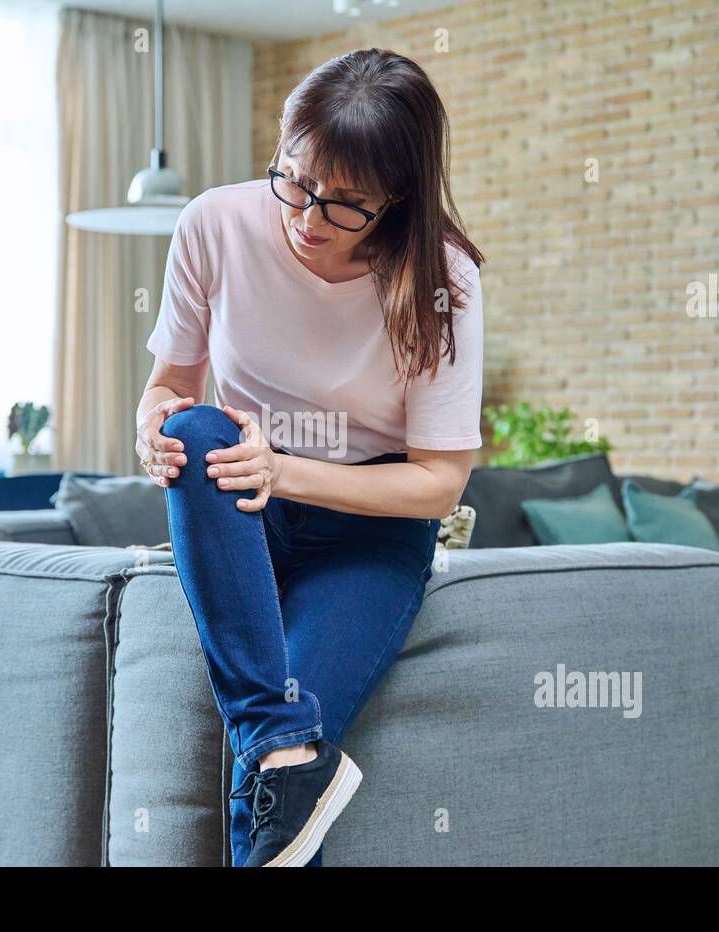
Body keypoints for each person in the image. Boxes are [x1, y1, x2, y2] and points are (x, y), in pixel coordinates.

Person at [135, 48, 484, 867]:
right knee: (195, 434)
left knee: (275, 755)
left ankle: (284, 753)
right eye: (292, 180)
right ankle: (290, 754)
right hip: (239, 510)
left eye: (345, 202)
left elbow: (440, 484)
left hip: (363, 531)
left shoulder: (444, 282)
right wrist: (151, 426)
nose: (307, 216)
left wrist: (283, 470)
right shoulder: (214, 223)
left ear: (396, 194)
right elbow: (170, 386)